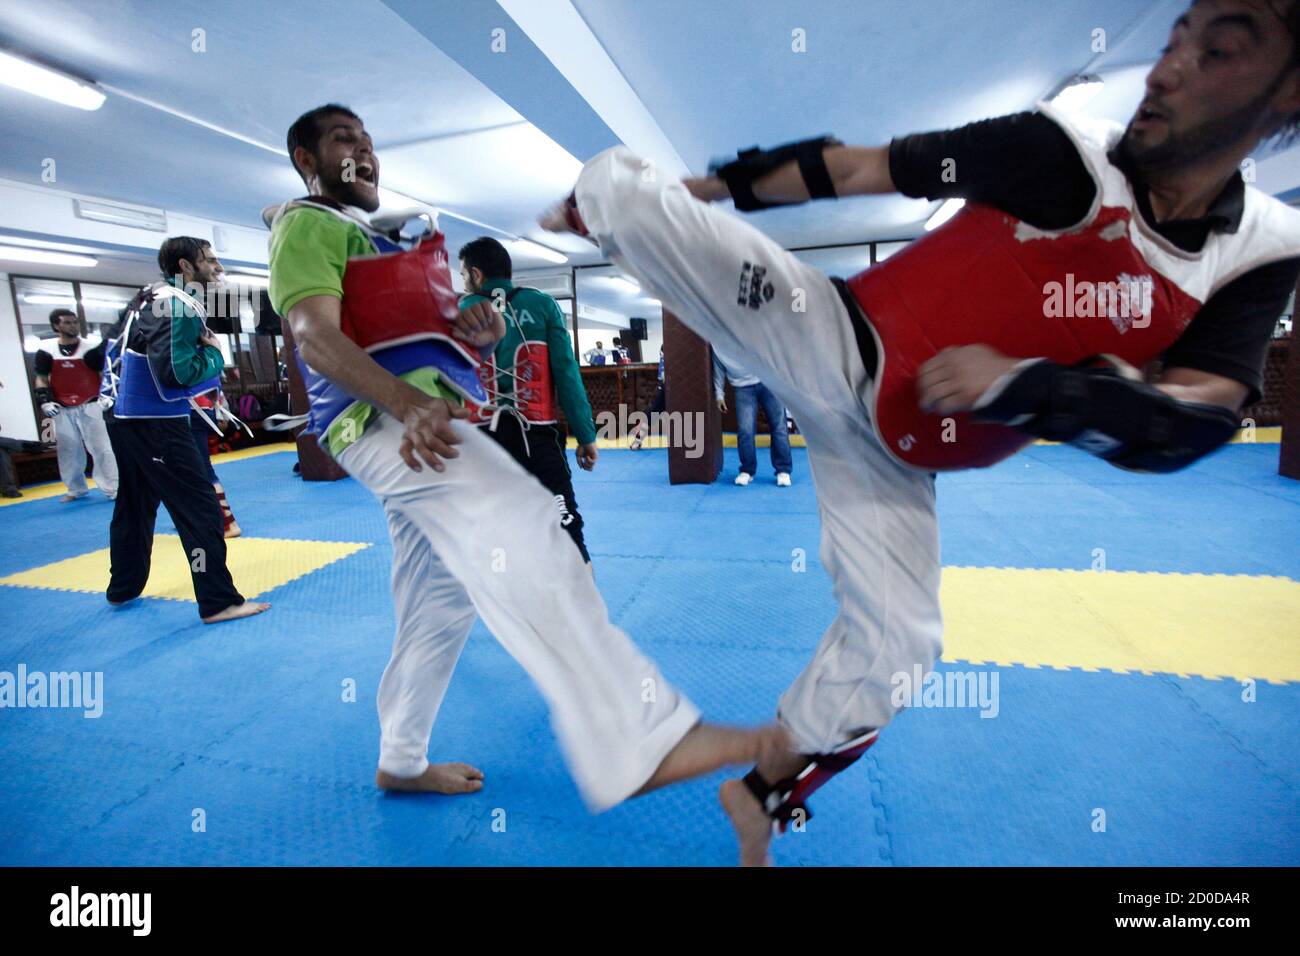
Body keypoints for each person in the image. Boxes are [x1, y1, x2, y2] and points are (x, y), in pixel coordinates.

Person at [544, 0, 1300, 863]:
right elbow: (857, 167)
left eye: (1220, 52)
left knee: (900, 653)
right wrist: (704, 191)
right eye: (1174, 41)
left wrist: (1027, 386)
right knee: (621, 189)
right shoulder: (1056, 151)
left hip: (896, 458)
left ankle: (757, 792)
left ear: (1289, 91)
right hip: (823, 336)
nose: (1168, 69)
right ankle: (618, 199)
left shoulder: (1261, 252)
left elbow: (1192, 421)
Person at [266, 103, 779, 811]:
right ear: (306, 158)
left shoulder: (379, 241)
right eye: (343, 139)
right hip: (389, 423)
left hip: (415, 416)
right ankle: (643, 734)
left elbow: (424, 349)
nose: (365, 152)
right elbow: (314, 338)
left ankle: (401, 757)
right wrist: (408, 405)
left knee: (438, 600)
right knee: (528, 524)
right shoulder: (307, 224)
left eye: (370, 139)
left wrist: (478, 336)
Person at [101, 236, 269, 625]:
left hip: (122, 417)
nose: (219, 269)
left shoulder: (146, 296)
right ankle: (218, 601)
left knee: (135, 504)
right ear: (185, 267)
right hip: (155, 422)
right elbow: (175, 373)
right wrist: (214, 354)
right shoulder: (177, 303)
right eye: (210, 261)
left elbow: (105, 355)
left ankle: (122, 587)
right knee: (200, 510)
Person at [459, 236, 598, 562]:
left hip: (482, 440)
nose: (463, 283)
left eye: (463, 276)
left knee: (498, 533)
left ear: (476, 275)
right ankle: (582, 611)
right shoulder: (543, 304)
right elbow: (566, 373)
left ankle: (515, 609)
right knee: (567, 528)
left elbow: (443, 380)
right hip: (538, 436)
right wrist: (586, 435)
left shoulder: (456, 313)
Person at [33, 308, 118, 502]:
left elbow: (104, 374)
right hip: (62, 406)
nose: (73, 326)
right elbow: (41, 378)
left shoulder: (91, 347)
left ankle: (113, 488)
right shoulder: (47, 350)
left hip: (91, 404)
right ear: (56, 326)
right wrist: (44, 402)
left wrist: (106, 396)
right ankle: (75, 489)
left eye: (75, 322)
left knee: (102, 448)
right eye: (68, 322)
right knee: (69, 449)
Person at [713, 347, 793, 486]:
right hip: (743, 388)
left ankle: (783, 470)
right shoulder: (714, 343)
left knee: (779, 426)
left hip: (769, 379)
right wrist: (719, 395)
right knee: (745, 431)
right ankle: (747, 470)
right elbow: (718, 368)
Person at [190, 387, 241, 537]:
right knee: (187, 469)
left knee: (202, 469)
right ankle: (194, 515)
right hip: (206, 407)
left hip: (191, 409)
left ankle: (228, 523)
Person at [629, 344, 665, 450]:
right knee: (651, 415)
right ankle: (637, 441)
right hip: (664, 387)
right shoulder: (666, 348)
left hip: (673, 386)